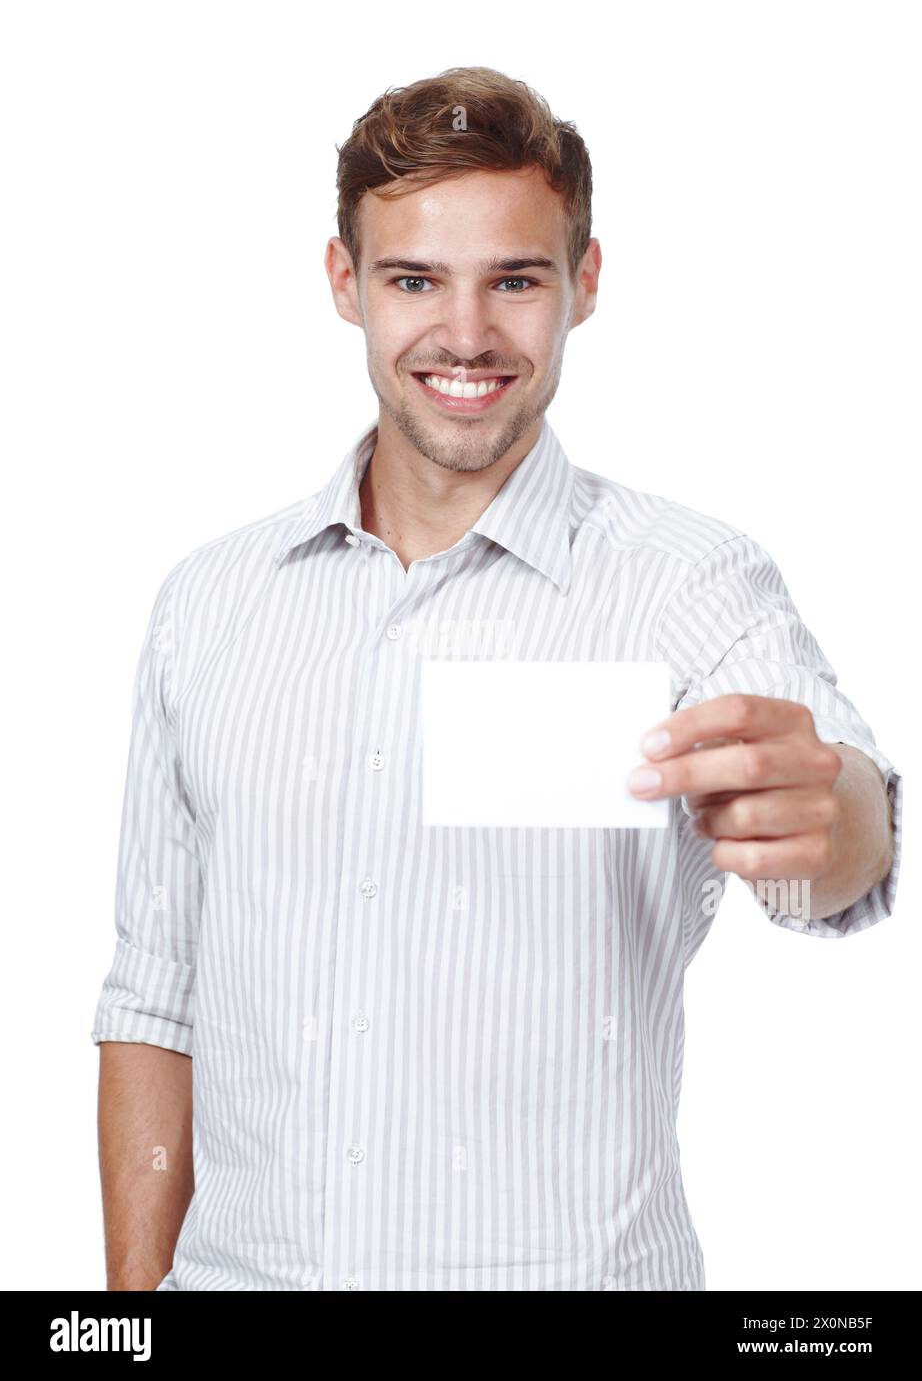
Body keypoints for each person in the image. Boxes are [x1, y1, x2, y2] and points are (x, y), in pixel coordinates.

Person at [92, 66, 901, 1292]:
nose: (464, 335)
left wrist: (828, 811)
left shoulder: (688, 585)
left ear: (582, 282)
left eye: (513, 280)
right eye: (415, 278)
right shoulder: (207, 604)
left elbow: (848, 841)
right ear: (343, 282)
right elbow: (156, 995)